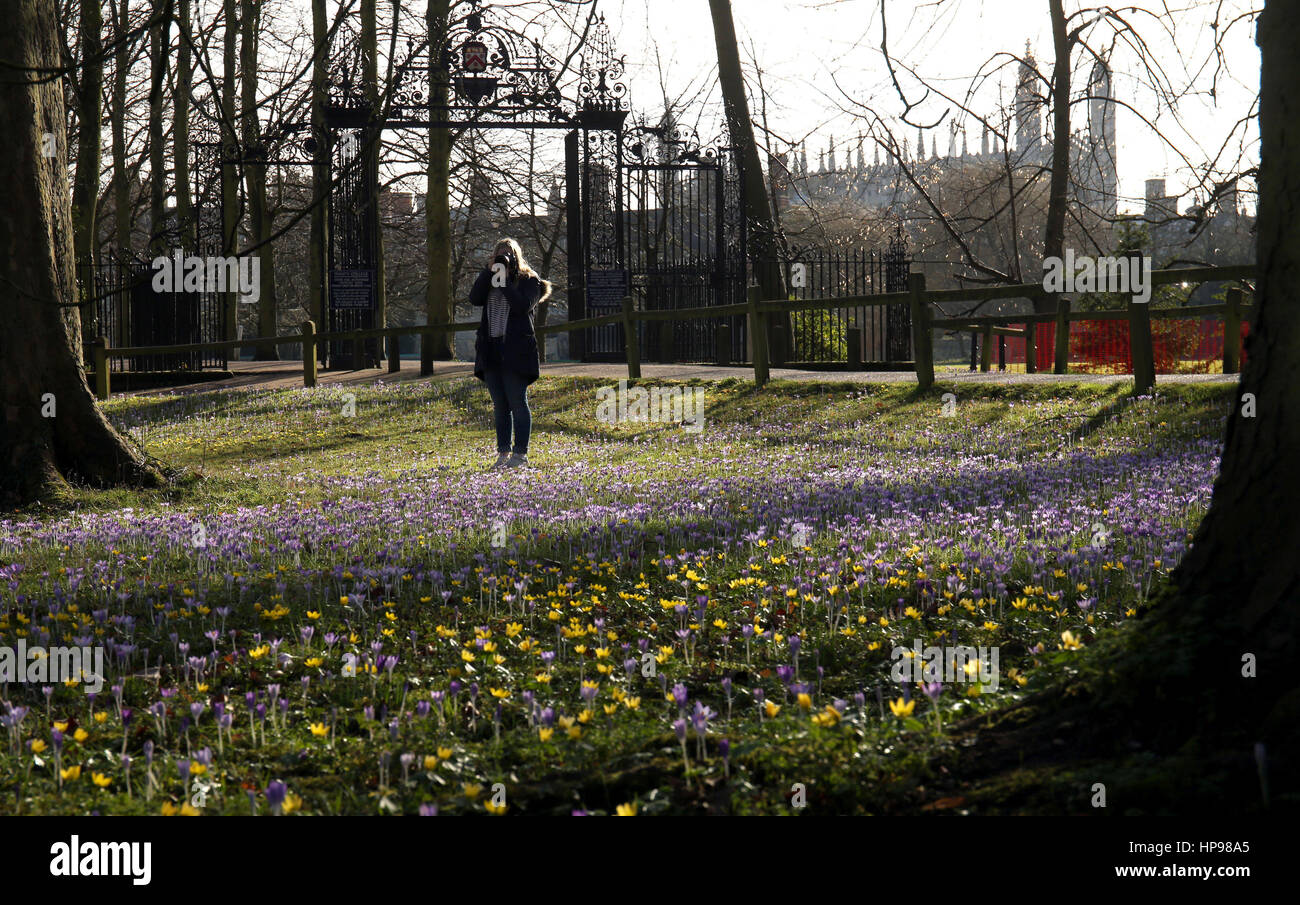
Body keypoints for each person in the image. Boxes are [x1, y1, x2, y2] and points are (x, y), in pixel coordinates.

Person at [469, 238, 552, 469]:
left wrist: (504, 281)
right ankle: (503, 453)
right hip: (491, 350)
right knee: (500, 406)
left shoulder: (529, 281)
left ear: (517, 257)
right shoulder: (491, 280)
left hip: (516, 351)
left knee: (517, 402)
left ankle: (520, 455)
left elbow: (521, 306)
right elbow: (474, 298)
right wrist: (489, 273)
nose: (503, 259)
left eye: (507, 255)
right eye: (499, 255)